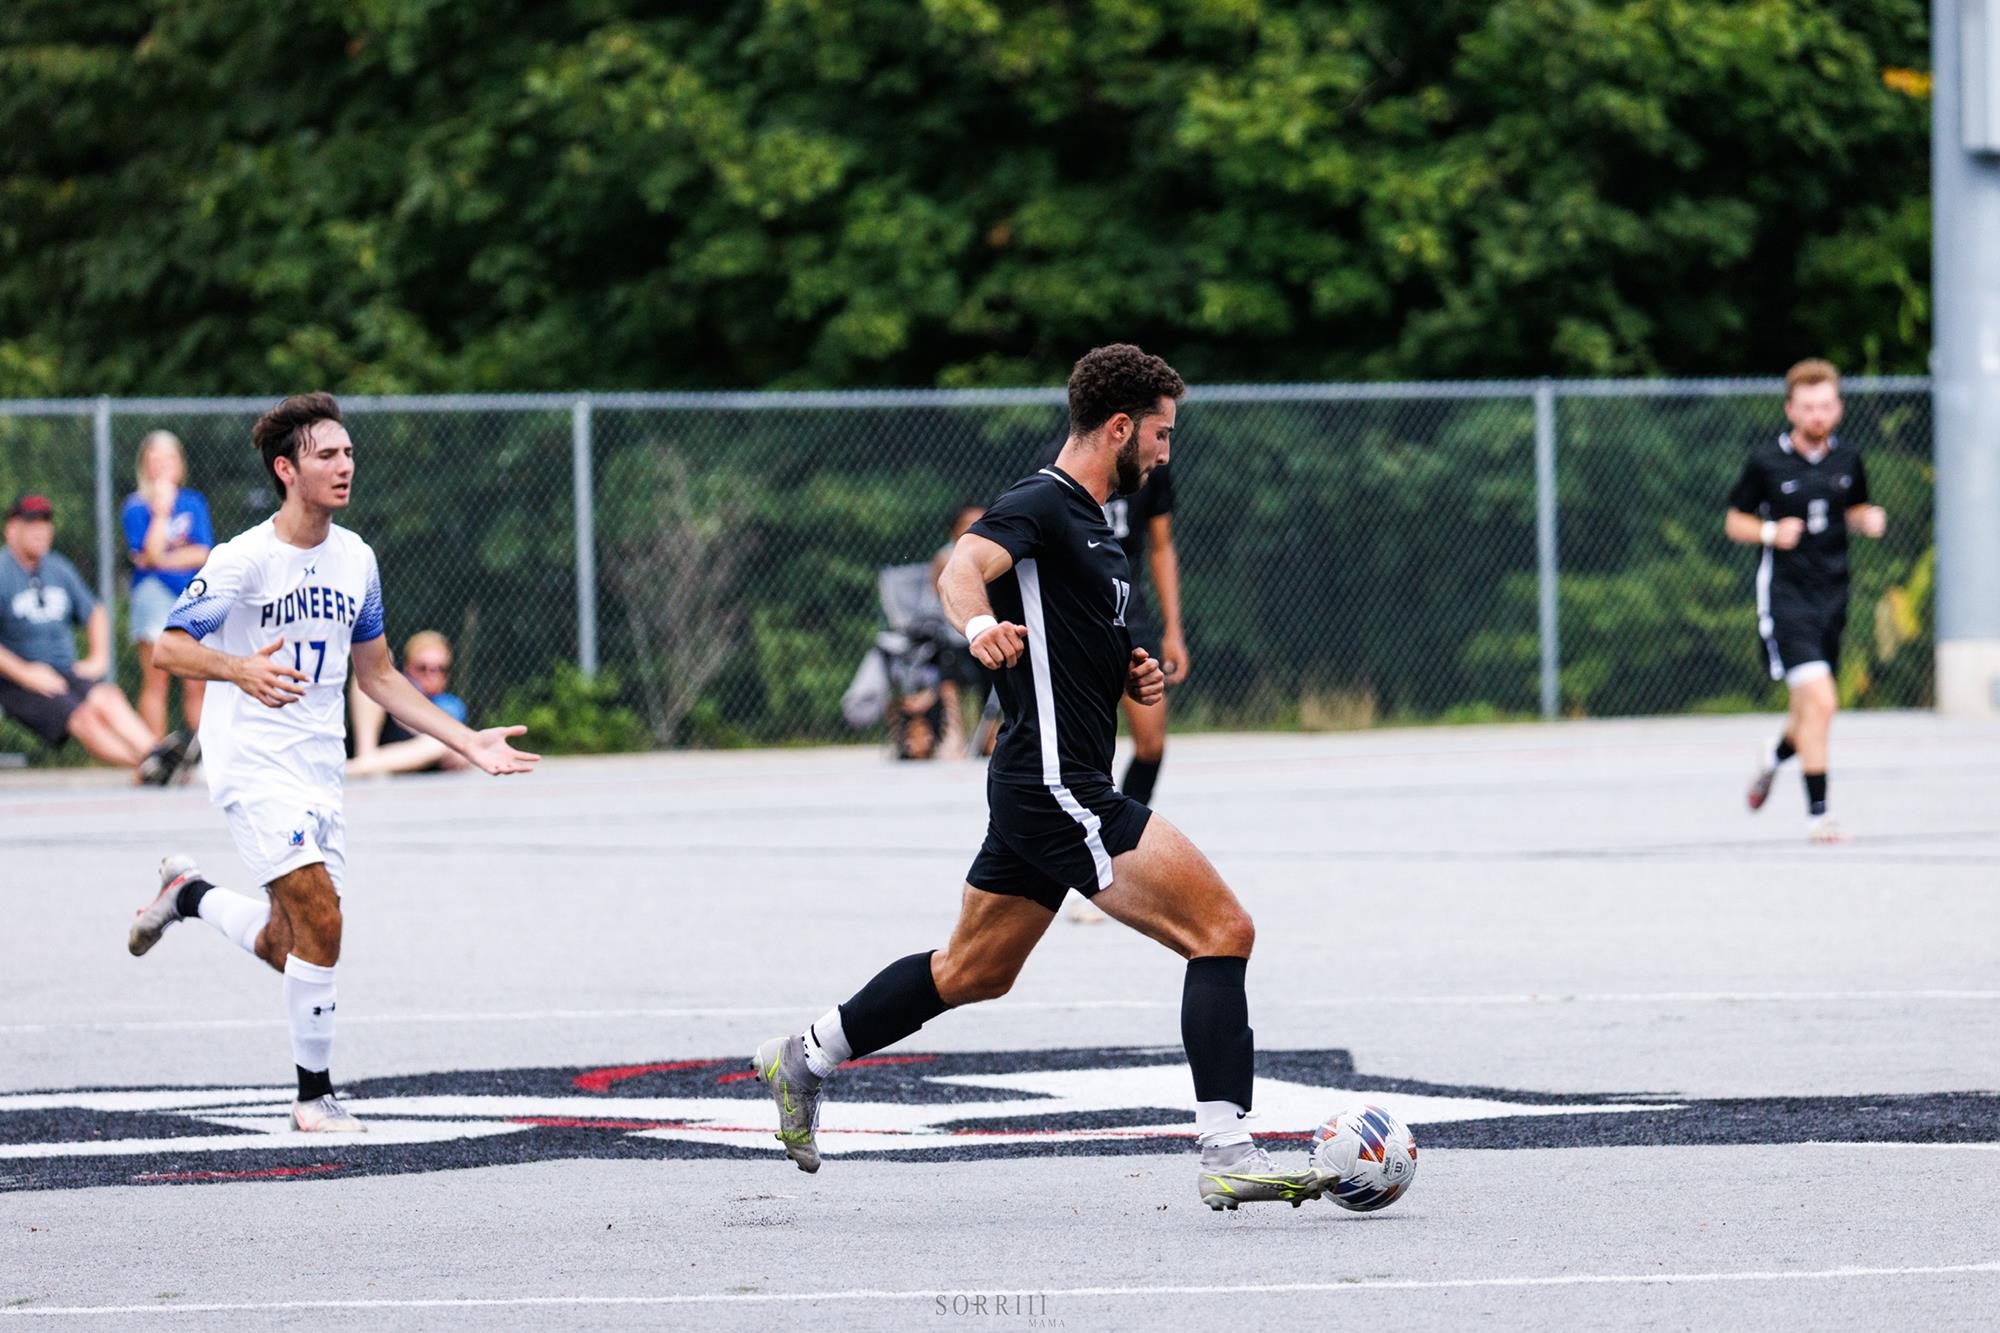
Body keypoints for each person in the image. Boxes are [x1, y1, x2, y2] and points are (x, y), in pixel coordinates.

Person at [752, 345, 1324, 1210]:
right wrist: (978, 622)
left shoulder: (1097, 522)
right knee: (1222, 929)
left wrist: (1129, 670)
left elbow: (1070, 636)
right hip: (1059, 785)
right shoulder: (1042, 502)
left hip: (1036, 779)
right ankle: (1227, 1145)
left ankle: (804, 1054)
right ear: (1122, 426)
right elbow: (959, 566)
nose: (1168, 452)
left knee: (976, 969)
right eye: (1162, 434)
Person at [124, 393, 540, 1133]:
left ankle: (186, 894)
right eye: (326, 454)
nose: (344, 465)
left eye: (348, 452)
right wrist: (240, 669)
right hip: (252, 762)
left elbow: (378, 676)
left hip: (320, 766)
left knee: (296, 944)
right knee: (324, 916)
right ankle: (313, 1096)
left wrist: (465, 740)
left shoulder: (357, 559)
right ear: (287, 469)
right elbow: (169, 647)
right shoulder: (244, 558)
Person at [1729, 359, 1887, 843]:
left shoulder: (1848, 460)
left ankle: (1773, 757)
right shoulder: (1766, 462)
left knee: (1810, 711)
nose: (1817, 415)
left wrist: (1866, 519)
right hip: (1785, 598)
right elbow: (1735, 522)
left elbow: (1855, 505)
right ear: (1790, 410)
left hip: (1832, 595)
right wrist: (1773, 531)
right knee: (1823, 702)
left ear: (1837, 409)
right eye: (1807, 407)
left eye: (1825, 406)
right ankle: (1820, 815)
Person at [0, 493, 186, 780]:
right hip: (17, 681)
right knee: (85, 718)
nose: (41, 530)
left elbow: (95, 612)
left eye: (45, 523)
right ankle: (154, 763)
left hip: (64, 671)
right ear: (11, 529)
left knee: (107, 697)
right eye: (31, 523)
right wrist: (25, 673)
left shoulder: (58, 568)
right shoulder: (3, 570)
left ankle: (155, 758)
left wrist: (97, 659)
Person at [123, 431, 213, 739]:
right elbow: (146, 551)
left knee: (196, 680)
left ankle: (201, 757)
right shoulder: (136, 507)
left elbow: (203, 552)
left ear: (179, 464)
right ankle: (153, 755)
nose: (161, 467)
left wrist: (159, 559)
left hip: (190, 595)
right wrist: (161, 512)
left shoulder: (192, 502)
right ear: (144, 466)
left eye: (168, 459)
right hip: (153, 597)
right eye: (154, 460)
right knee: (156, 681)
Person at [347, 630, 470, 777]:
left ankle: (359, 768)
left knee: (441, 744)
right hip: (367, 745)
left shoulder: (451, 706)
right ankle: (365, 758)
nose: (431, 676)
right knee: (376, 657)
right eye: (422, 668)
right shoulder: (389, 693)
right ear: (407, 668)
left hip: (409, 764)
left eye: (440, 669)